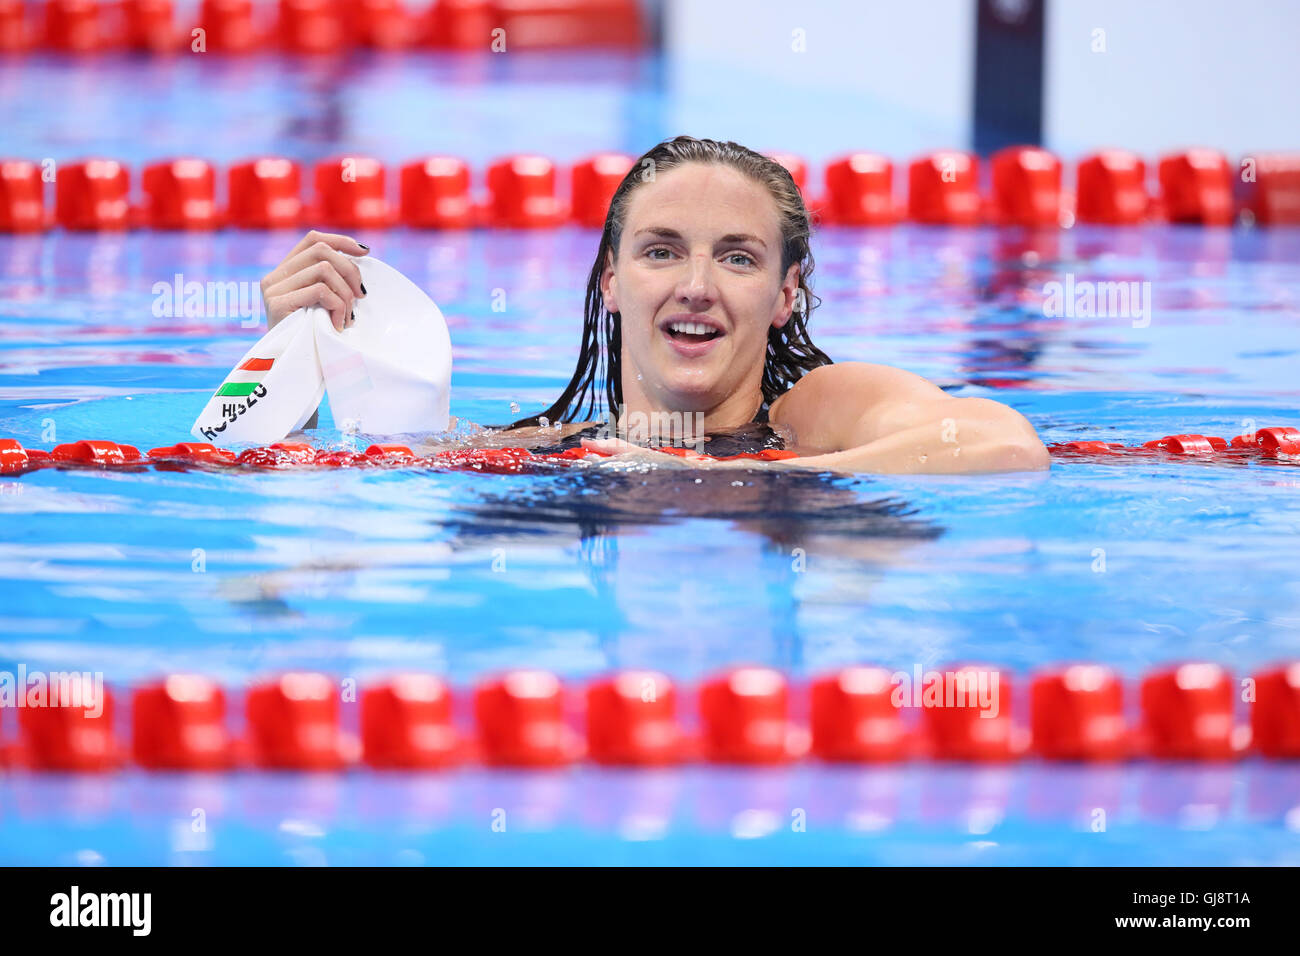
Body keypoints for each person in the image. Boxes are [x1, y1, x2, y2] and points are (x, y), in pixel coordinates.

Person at [258, 136, 1049, 474]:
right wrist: (287, 367)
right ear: (610, 281)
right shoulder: (553, 451)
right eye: (661, 250)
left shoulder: (814, 414)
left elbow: (1004, 444)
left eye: (737, 258)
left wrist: (739, 480)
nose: (696, 285)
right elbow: (310, 537)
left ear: (786, 295)